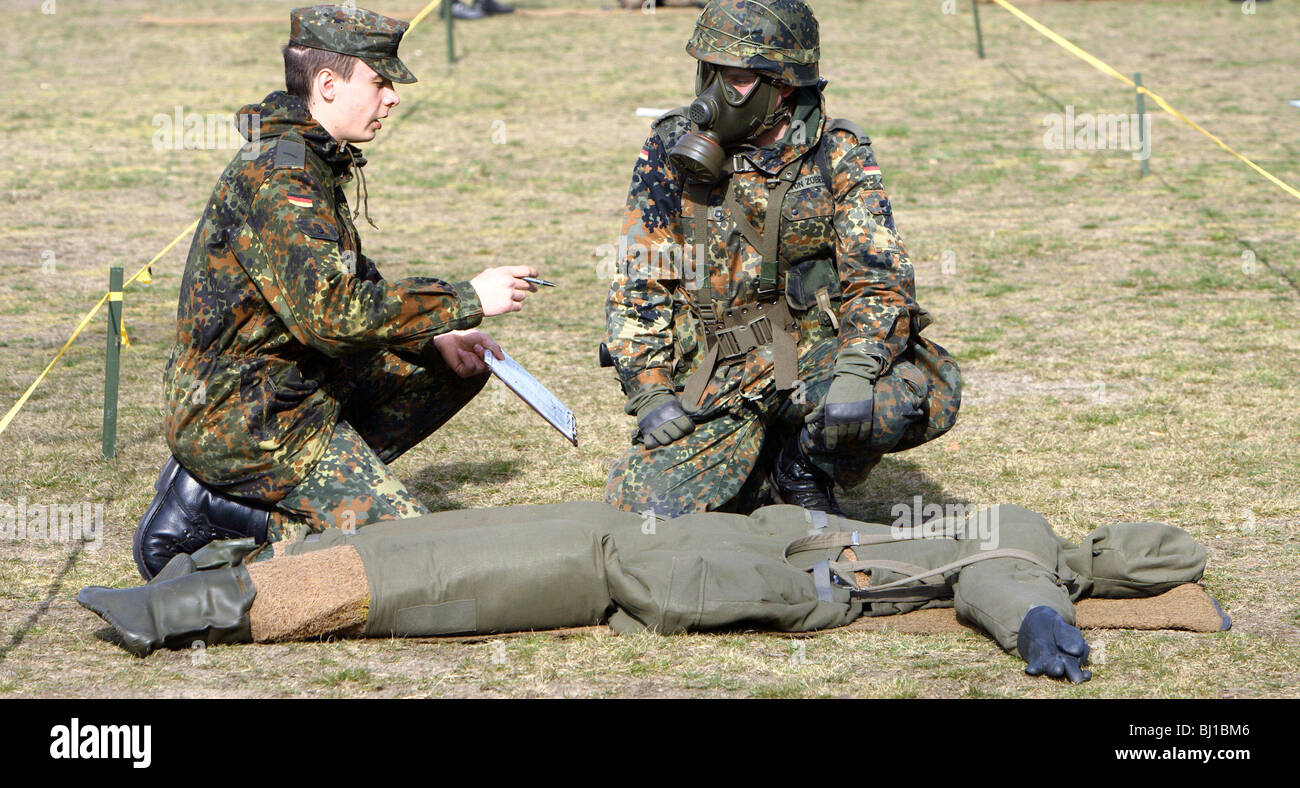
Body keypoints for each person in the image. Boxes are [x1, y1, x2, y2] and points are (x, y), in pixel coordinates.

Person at [133, 5, 540, 579]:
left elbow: (352, 281)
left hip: (296, 385)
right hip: (246, 413)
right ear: (326, 85)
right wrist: (465, 297)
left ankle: (301, 491)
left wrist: (439, 335)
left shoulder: (312, 159)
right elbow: (332, 316)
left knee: (459, 363)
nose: (393, 97)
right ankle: (231, 513)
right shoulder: (282, 175)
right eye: (379, 82)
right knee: (409, 561)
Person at [79, 500, 1222, 686]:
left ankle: (199, 598)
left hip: (686, 546)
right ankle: (214, 589)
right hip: (715, 557)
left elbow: (1006, 588)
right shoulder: (1026, 541)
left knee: (450, 555)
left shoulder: (1024, 544)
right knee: (447, 568)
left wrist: (1035, 615)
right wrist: (1041, 622)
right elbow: (1010, 584)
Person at [602, 0, 961, 519]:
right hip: (716, 369)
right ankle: (752, 466)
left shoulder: (836, 151)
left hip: (812, 352)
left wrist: (857, 368)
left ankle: (802, 467)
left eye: (739, 78)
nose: (716, 91)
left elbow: (879, 276)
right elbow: (640, 278)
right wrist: (649, 390)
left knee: (904, 395)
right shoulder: (669, 147)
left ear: (784, 88)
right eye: (710, 71)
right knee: (643, 508)